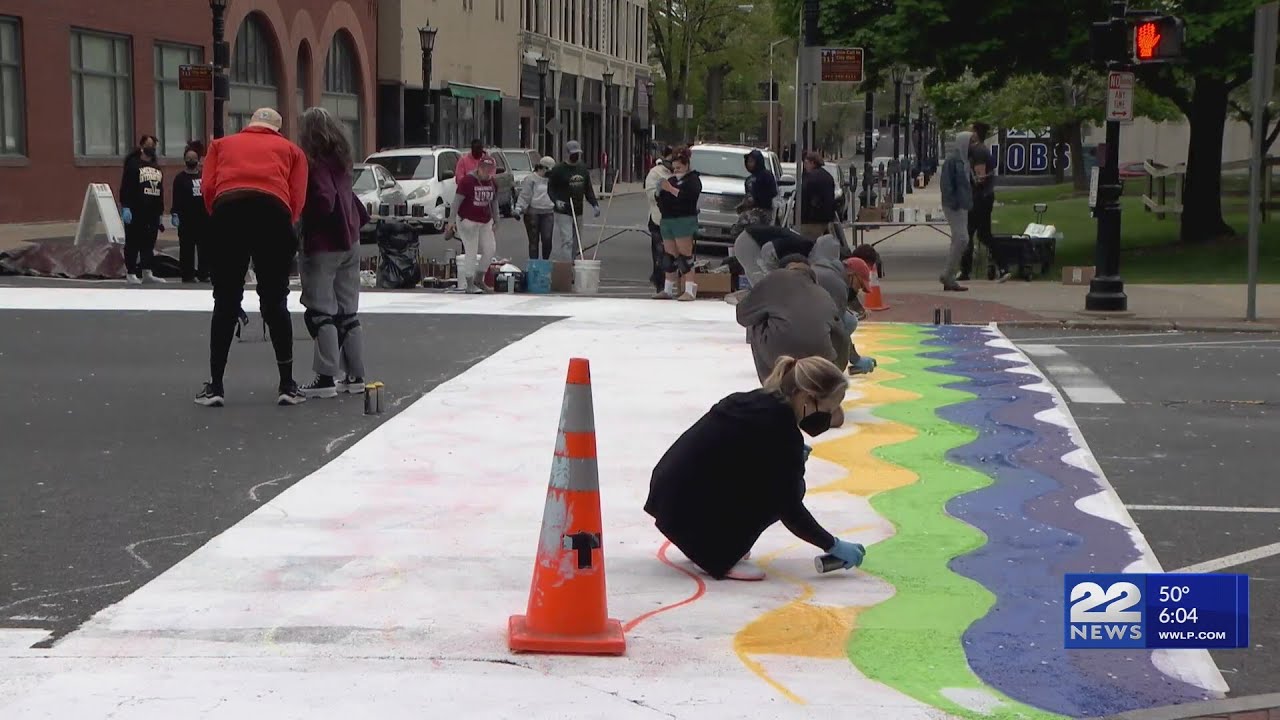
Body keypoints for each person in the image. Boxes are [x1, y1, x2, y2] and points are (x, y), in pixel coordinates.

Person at [644, 354, 868, 581]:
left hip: (668, 496)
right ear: (807, 398)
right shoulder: (780, 429)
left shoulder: (758, 401)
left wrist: (787, 459)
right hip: (682, 508)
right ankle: (715, 555)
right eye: (827, 410)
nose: (827, 418)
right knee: (789, 489)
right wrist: (832, 544)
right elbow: (789, 507)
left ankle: (711, 542)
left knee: (775, 481)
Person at [196, 107, 309, 407]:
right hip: (273, 212)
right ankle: (287, 384)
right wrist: (286, 225)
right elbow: (297, 197)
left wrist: (218, 216)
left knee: (226, 300)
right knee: (275, 301)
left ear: (249, 125)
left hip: (229, 209)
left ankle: (215, 386)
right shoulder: (292, 151)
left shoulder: (221, 145)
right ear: (278, 130)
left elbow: (208, 188)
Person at [296, 106, 371, 398]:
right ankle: (355, 374)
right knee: (348, 311)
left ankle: (326, 377)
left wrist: (306, 224)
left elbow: (324, 200)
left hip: (324, 244)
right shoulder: (343, 160)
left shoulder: (314, 164)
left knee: (320, 311)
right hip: (350, 238)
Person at [736, 255, 849, 383]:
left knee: (756, 320)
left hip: (780, 358)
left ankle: (772, 385)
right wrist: (836, 370)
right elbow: (842, 335)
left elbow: (742, 316)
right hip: (820, 363)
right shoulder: (823, 293)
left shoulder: (776, 278)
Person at [960, 122, 1008, 282]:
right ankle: (1003, 267)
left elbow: (980, 178)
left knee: (969, 233)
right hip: (984, 197)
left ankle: (966, 271)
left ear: (975, 133)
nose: (967, 133)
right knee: (983, 235)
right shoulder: (979, 150)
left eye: (970, 130)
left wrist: (968, 180)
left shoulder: (979, 151)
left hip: (979, 198)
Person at [655, 145, 702, 301]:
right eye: (674, 168)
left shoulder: (693, 181)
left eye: (679, 168)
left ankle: (690, 289)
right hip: (668, 219)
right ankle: (668, 289)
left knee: (685, 256)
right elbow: (662, 200)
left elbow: (687, 198)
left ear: (686, 165)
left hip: (684, 220)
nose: (676, 171)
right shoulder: (671, 180)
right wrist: (660, 193)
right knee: (669, 256)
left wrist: (670, 190)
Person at [119, 134, 167, 285]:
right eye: (149, 145)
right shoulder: (133, 165)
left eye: (153, 145)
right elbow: (125, 187)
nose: (151, 148)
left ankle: (147, 272)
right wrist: (126, 206)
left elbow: (160, 191)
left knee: (149, 243)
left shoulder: (156, 167)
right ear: (142, 146)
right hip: (136, 210)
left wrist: (160, 212)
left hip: (152, 212)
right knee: (133, 242)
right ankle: (131, 272)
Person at [449, 155, 500, 294]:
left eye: (490, 169)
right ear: (479, 167)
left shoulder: (492, 183)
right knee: (471, 251)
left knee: (490, 249)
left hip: (485, 220)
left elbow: (494, 202)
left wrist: (497, 219)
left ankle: (479, 278)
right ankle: (469, 283)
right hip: (467, 220)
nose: (487, 171)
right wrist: (451, 222)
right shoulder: (467, 181)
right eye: (484, 168)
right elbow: (456, 203)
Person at [546, 139, 600, 261]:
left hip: (578, 210)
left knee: (577, 241)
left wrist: (594, 204)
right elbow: (551, 189)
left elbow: (588, 189)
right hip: (564, 211)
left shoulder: (582, 168)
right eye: (573, 153)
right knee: (568, 241)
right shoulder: (558, 169)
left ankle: (573, 261)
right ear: (567, 153)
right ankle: (567, 266)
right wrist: (556, 201)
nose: (575, 156)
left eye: (577, 153)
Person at [170, 143, 210, 283]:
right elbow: (176, 198)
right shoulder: (180, 178)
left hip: (203, 218)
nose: (191, 160)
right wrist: (175, 213)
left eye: (193, 158)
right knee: (187, 248)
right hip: (186, 220)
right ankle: (187, 275)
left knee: (204, 248)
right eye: (188, 158)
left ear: (198, 160)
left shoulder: (204, 176)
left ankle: (204, 273)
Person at [940, 131, 975, 292]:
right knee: (962, 238)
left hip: (963, 205)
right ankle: (948, 274)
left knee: (959, 240)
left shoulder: (964, 160)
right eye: (971, 142)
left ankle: (949, 275)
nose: (973, 145)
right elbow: (946, 184)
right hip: (954, 205)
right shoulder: (952, 160)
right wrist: (953, 201)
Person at [644, 146, 674, 293]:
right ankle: (660, 283)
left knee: (673, 254)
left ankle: (669, 283)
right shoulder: (655, 173)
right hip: (658, 219)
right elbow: (650, 194)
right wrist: (660, 192)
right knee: (660, 253)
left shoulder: (682, 173)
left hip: (676, 220)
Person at [514, 155, 556, 260]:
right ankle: (534, 263)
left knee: (547, 239)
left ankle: (545, 261)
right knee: (533, 241)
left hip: (548, 212)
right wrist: (518, 208)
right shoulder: (531, 179)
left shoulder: (552, 180)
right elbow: (525, 195)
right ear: (542, 168)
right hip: (533, 213)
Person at [733, 149, 777, 233]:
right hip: (750, 210)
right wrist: (743, 205)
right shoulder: (749, 179)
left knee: (745, 222)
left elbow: (772, 193)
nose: (749, 164)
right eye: (748, 162)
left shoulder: (766, 176)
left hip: (764, 211)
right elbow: (748, 195)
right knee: (739, 226)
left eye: (752, 161)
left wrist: (756, 199)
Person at [798, 152, 837, 240]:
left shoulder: (810, 178)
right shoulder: (828, 176)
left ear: (812, 163)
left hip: (811, 218)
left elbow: (804, 197)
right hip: (825, 217)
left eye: (806, 163)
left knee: (808, 241)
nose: (805, 166)